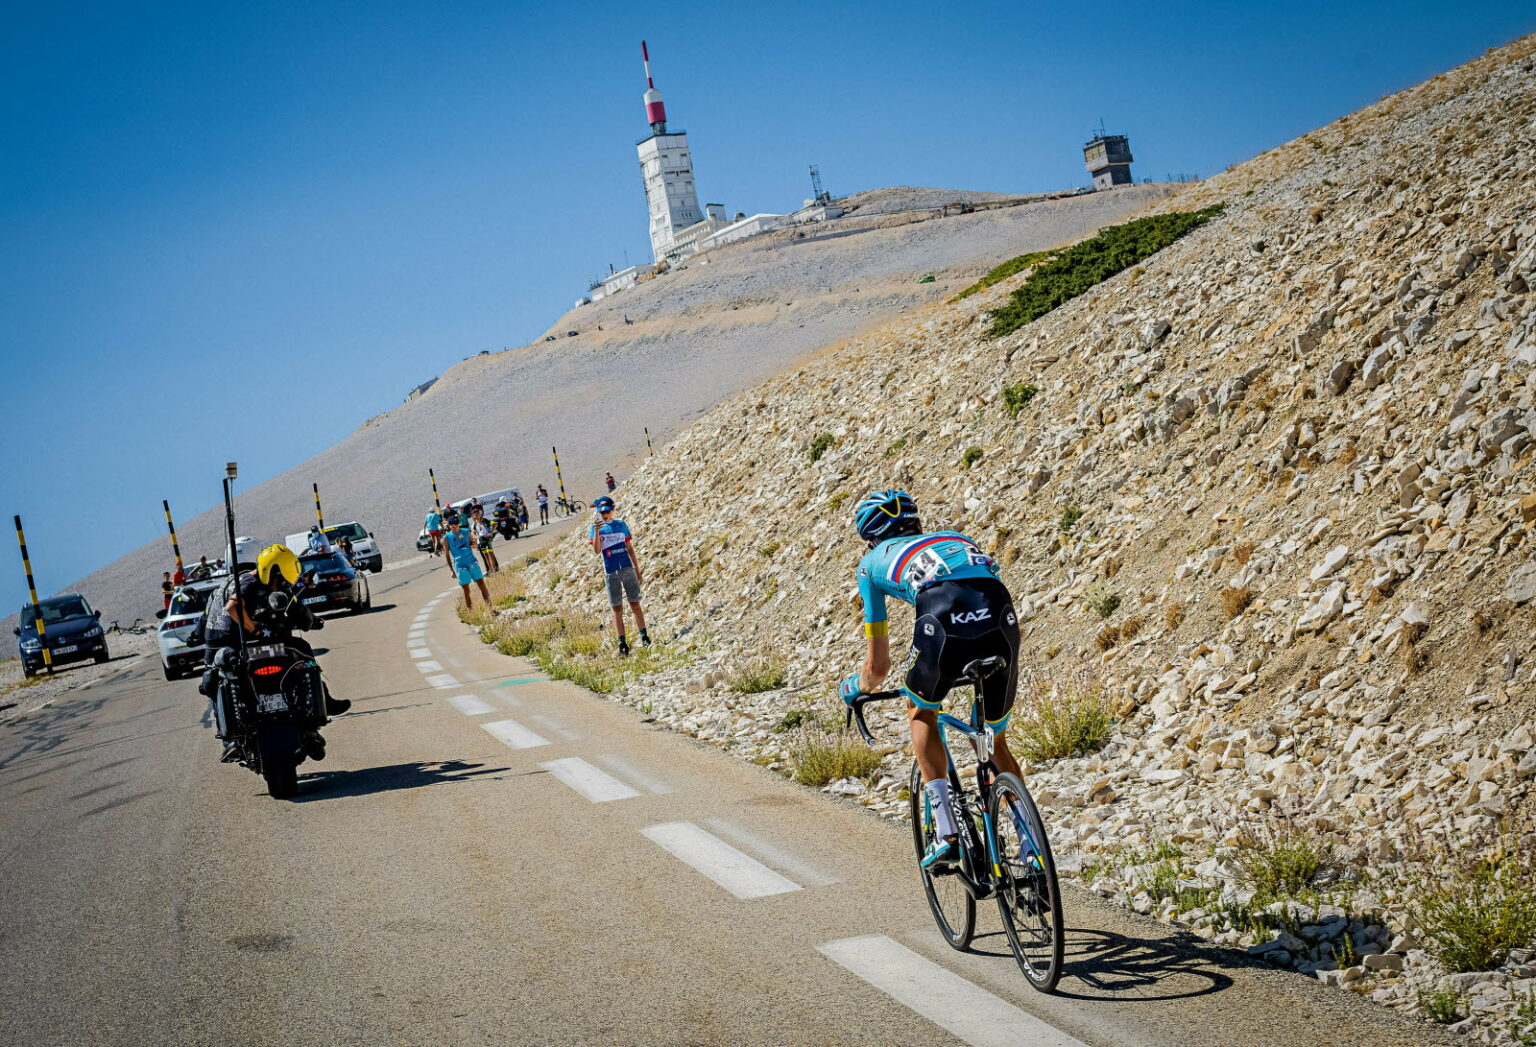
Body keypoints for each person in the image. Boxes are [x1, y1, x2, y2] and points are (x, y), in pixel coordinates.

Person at [838, 489, 1024, 872]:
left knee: (921, 711)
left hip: (942, 617)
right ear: (918, 524)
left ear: (871, 537)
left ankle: (947, 833)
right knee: (994, 738)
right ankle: (1031, 848)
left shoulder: (870, 563)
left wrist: (857, 688)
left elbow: (878, 666)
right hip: (1000, 615)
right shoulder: (958, 538)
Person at [201, 545, 349, 759]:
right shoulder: (249, 582)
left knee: (300, 656)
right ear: (271, 572)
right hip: (232, 641)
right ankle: (231, 738)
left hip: (233, 641)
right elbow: (232, 608)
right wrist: (257, 629)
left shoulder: (250, 584)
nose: (282, 582)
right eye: (280, 578)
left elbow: (293, 605)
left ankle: (318, 708)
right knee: (216, 679)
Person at [587, 496, 649, 656]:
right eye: (601, 512)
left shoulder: (621, 525)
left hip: (627, 568)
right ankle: (622, 643)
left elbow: (629, 547)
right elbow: (596, 550)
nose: (605, 514)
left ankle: (644, 637)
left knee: (635, 604)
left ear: (613, 510)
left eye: (607, 511)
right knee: (617, 608)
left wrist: (637, 569)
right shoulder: (595, 528)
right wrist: (597, 530)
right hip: (610, 571)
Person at [442, 515, 492, 608]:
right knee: (466, 589)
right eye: (453, 527)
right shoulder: (446, 537)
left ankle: (490, 607)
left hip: (472, 561)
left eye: (457, 526)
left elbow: (473, 543)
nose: (455, 529)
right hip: (460, 565)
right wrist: (451, 570)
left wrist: (474, 545)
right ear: (449, 526)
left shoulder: (466, 531)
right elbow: (447, 555)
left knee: (481, 584)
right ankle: (470, 611)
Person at [471, 506, 499, 573]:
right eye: (475, 515)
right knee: (486, 556)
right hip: (481, 540)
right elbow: (473, 533)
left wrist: (491, 532)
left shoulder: (485, 520)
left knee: (490, 553)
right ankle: (491, 570)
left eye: (477, 515)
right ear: (473, 516)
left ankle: (494, 569)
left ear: (479, 514)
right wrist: (476, 537)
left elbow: (495, 524)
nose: (476, 516)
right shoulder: (474, 525)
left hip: (487, 538)